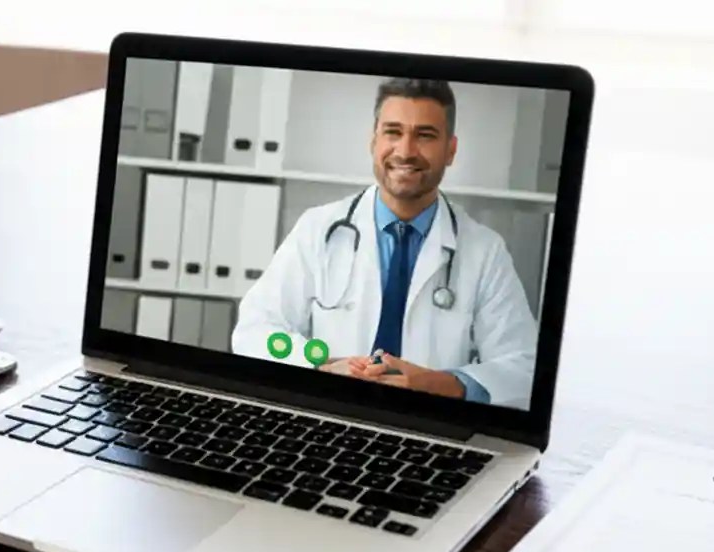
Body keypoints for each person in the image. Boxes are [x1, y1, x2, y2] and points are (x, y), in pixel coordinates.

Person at [230, 77, 538, 409]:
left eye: (425, 135)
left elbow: (522, 366)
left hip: (428, 421)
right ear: (373, 141)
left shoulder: (485, 251)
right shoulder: (317, 229)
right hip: (328, 410)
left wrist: (441, 384)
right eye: (393, 132)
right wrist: (322, 367)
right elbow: (255, 330)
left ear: (450, 150)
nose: (405, 152)